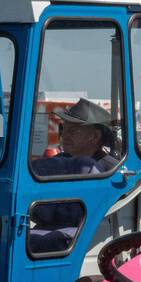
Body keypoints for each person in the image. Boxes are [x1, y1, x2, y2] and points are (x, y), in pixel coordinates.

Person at [30, 99, 119, 251]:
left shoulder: (111, 170)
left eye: (73, 131)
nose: (64, 135)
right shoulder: (58, 163)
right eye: (63, 129)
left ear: (95, 137)